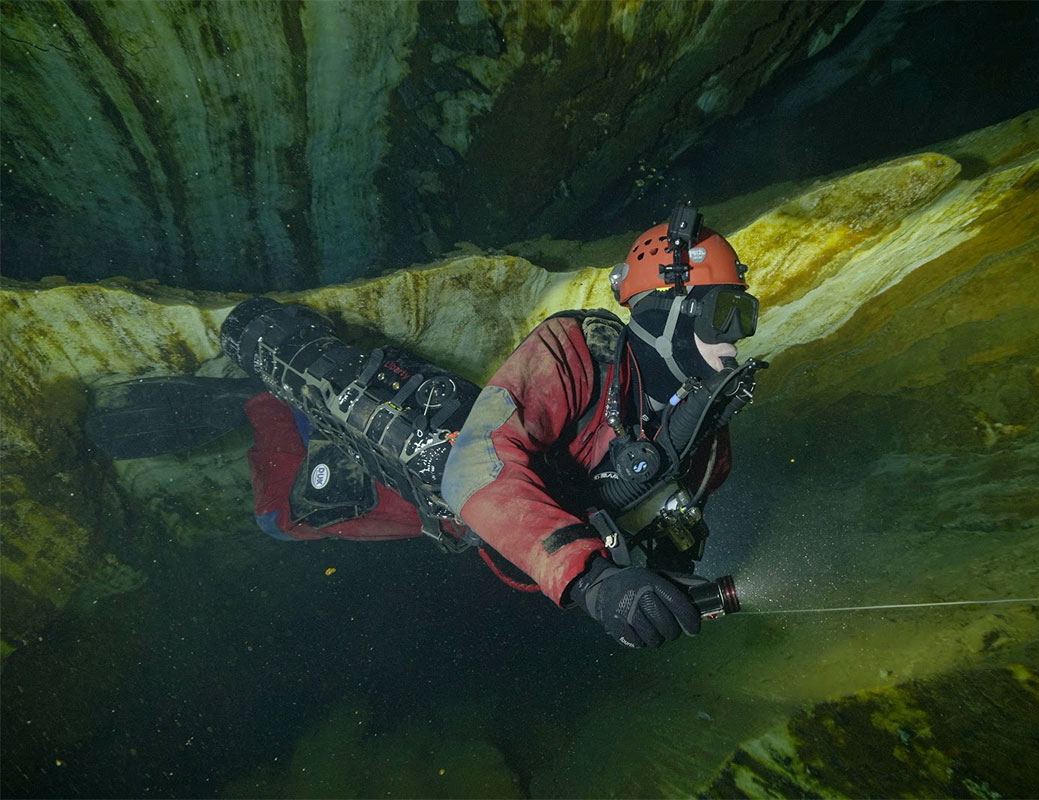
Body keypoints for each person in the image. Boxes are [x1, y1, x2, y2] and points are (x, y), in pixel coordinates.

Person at [224, 203, 762, 648]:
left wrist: (651, 588)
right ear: (669, 312)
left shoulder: (707, 445)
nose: (737, 337)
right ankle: (261, 395)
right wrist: (594, 581)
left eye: (746, 315)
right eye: (725, 314)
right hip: (455, 490)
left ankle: (296, 415)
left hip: (503, 539)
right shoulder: (576, 351)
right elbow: (472, 471)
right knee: (283, 514)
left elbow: (668, 528)